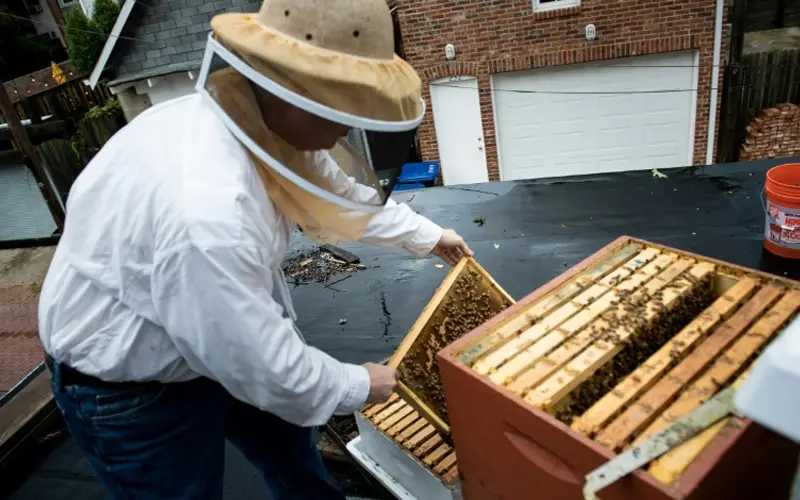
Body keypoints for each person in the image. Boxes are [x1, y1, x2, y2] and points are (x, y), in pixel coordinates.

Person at [37, 0, 473, 498]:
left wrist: (426, 235)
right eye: (349, 103)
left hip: (214, 334)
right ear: (297, 92)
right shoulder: (205, 211)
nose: (352, 123)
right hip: (133, 387)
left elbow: (336, 189)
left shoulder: (265, 125)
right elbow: (266, 368)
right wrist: (357, 386)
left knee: (293, 458)